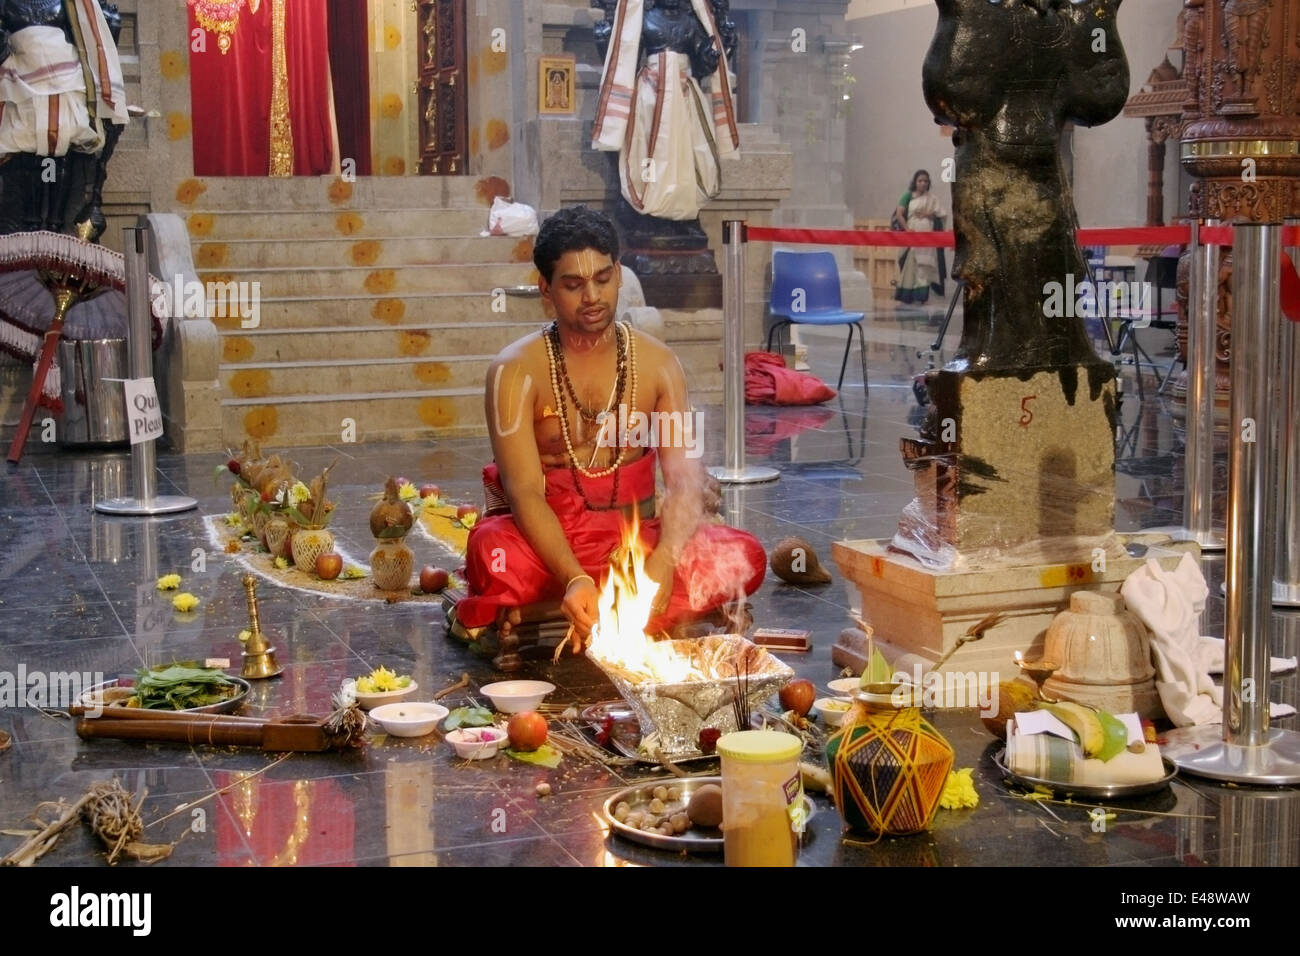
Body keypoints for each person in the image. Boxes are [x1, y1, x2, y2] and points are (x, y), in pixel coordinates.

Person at [453, 205, 765, 651]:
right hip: (550, 544)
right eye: (573, 285)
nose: (592, 297)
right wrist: (575, 576)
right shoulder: (513, 372)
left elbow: (684, 482)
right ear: (545, 289)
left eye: (602, 279)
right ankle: (603, 604)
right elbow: (523, 493)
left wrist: (662, 563)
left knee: (744, 554)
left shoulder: (660, 365)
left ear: (619, 274)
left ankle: (545, 615)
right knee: (492, 551)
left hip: (638, 538)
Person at [891, 170, 947, 306]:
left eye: (925, 181)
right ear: (915, 182)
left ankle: (921, 296)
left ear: (928, 183)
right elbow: (899, 214)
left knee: (924, 266)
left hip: (927, 237)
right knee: (910, 264)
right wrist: (907, 230)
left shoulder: (932, 199)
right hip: (912, 234)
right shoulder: (907, 196)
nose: (923, 183)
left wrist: (929, 214)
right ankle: (907, 295)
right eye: (920, 181)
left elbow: (942, 216)